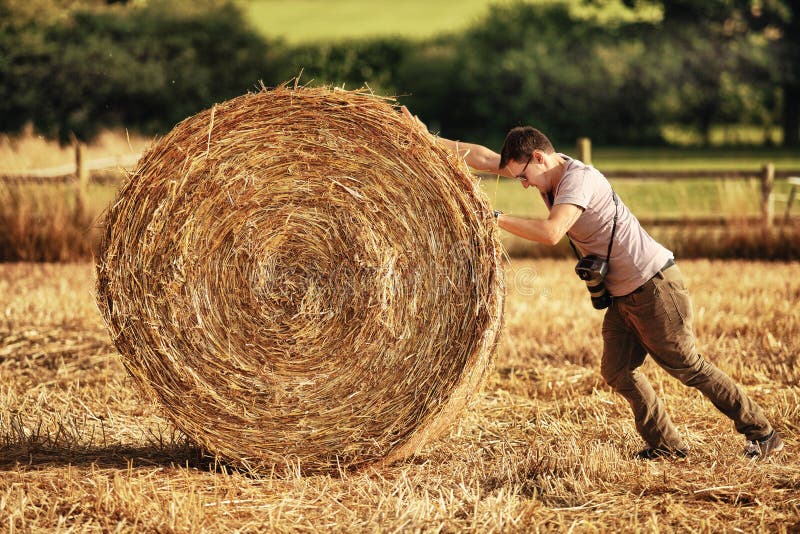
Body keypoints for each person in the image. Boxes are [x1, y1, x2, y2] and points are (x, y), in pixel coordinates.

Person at [401, 106, 784, 460]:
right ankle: (667, 445)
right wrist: (425, 138)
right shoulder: (545, 173)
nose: (521, 183)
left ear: (539, 157)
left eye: (523, 176)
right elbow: (485, 158)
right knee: (617, 371)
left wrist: (494, 217)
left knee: (688, 367)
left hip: (654, 286)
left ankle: (763, 433)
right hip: (622, 295)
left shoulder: (579, 181)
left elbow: (552, 232)